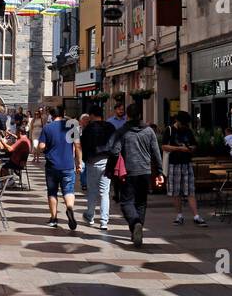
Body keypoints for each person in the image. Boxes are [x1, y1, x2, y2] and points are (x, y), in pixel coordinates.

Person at [106, 103, 164, 248]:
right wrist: (160, 172)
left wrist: (110, 169)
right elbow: (156, 153)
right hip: (145, 172)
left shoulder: (122, 131)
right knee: (141, 203)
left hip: (128, 172)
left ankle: (134, 223)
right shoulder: (149, 131)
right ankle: (136, 230)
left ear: (128, 115)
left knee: (126, 202)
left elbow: (114, 151)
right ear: (140, 115)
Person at [38, 107, 79, 231]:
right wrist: (79, 162)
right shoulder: (72, 126)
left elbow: (41, 146)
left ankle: (54, 218)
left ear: (51, 115)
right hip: (68, 164)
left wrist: (43, 149)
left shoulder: (47, 128)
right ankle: (70, 208)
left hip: (52, 165)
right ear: (63, 114)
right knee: (69, 190)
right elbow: (77, 145)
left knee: (52, 192)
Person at [164, 109, 207, 226]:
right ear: (177, 121)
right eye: (183, 123)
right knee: (176, 191)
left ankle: (196, 216)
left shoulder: (188, 131)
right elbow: (164, 146)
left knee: (190, 190)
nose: (184, 126)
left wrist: (190, 148)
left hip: (187, 163)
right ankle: (179, 215)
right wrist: (178, 148)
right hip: (174, 163)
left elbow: (195, 145)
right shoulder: (169, 130)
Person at [80, 102, 114, 229]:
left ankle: (90, 216)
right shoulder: (110, 127)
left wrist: (83, 160)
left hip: (93, 162)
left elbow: (84, 145)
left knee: (93, 191)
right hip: (108, 161)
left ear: (93, 115)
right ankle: (104, 221)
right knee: (105, 192)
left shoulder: (89, 128)